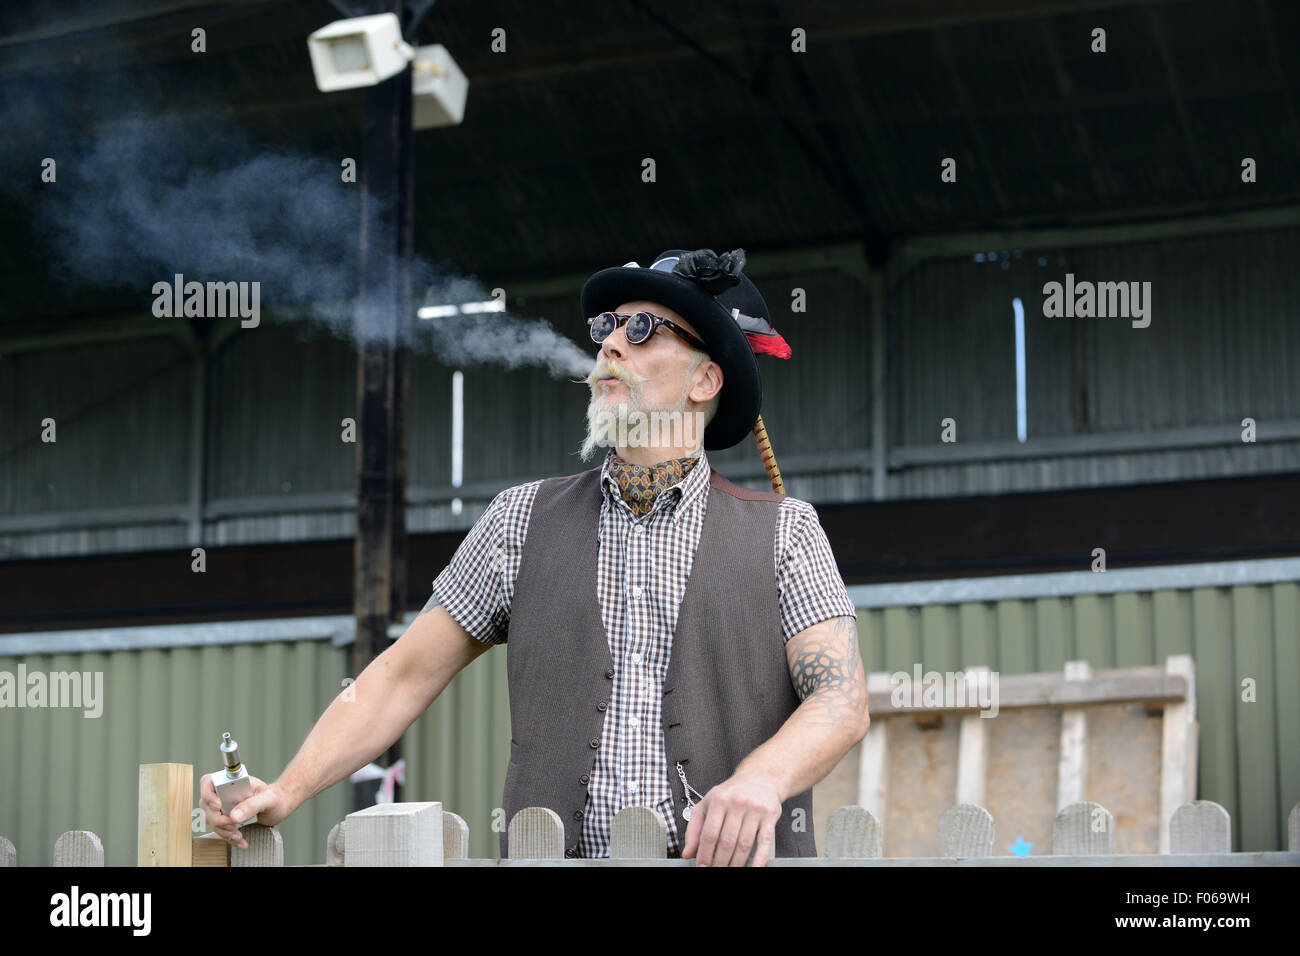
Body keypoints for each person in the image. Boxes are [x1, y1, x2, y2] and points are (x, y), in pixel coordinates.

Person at [201, 248, 869, 867]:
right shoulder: (518, 520)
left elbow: (841, 701)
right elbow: (400, 676)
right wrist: (286, 789)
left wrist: (761, 778)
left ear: (705, 379)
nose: (610, 342)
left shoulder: (787, 531)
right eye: (608, 327)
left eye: (643, 331)